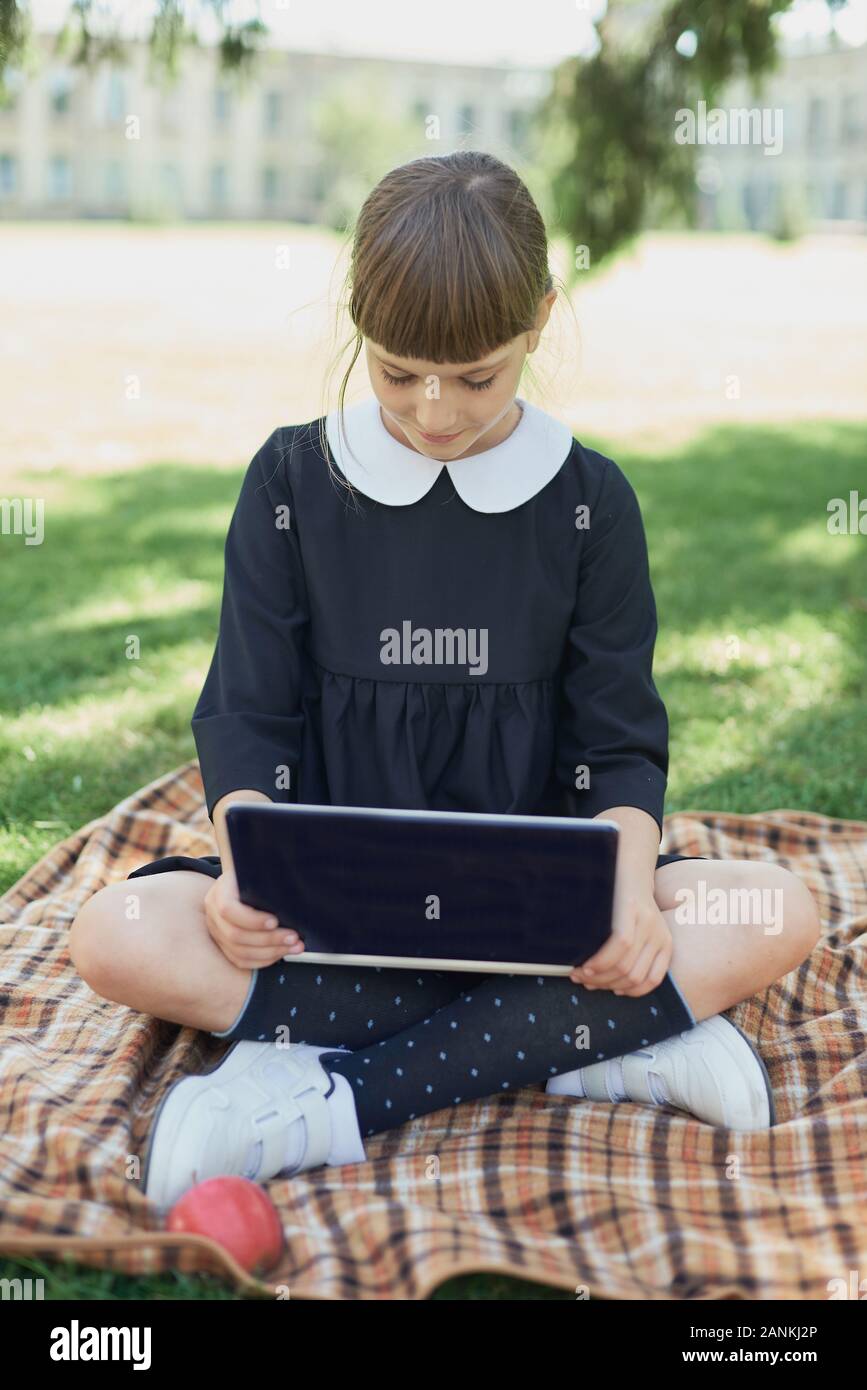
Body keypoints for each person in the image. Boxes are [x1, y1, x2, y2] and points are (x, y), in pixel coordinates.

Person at [69, 151, 821, 1213]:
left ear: (540, 325)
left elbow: (619, 740)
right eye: (396, 371)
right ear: (357, 325)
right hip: (326, 925)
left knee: (777, 908)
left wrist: (627, 893)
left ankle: (325, 1095)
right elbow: (246, 710)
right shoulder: (290, 481)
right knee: (114, 933)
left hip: (549, 927)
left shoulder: (591, 503)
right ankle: (599, 1046)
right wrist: (243, 865)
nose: (434, 412)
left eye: (477, 376)